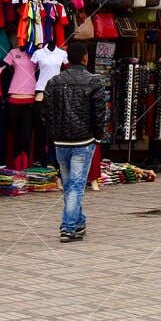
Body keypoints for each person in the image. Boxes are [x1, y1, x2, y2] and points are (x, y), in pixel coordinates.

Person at [41, 42, 109, 243]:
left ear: (67, 59)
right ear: (85, 58)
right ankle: (68, 227)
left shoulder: (54, 82)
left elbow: (46, 113)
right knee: (76, 185)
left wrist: (53, 134)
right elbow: (99, 114)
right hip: (82, 141)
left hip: (61, 142)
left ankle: (78, 223)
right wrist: (98, 136)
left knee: (71, 184)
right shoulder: (93, 82)